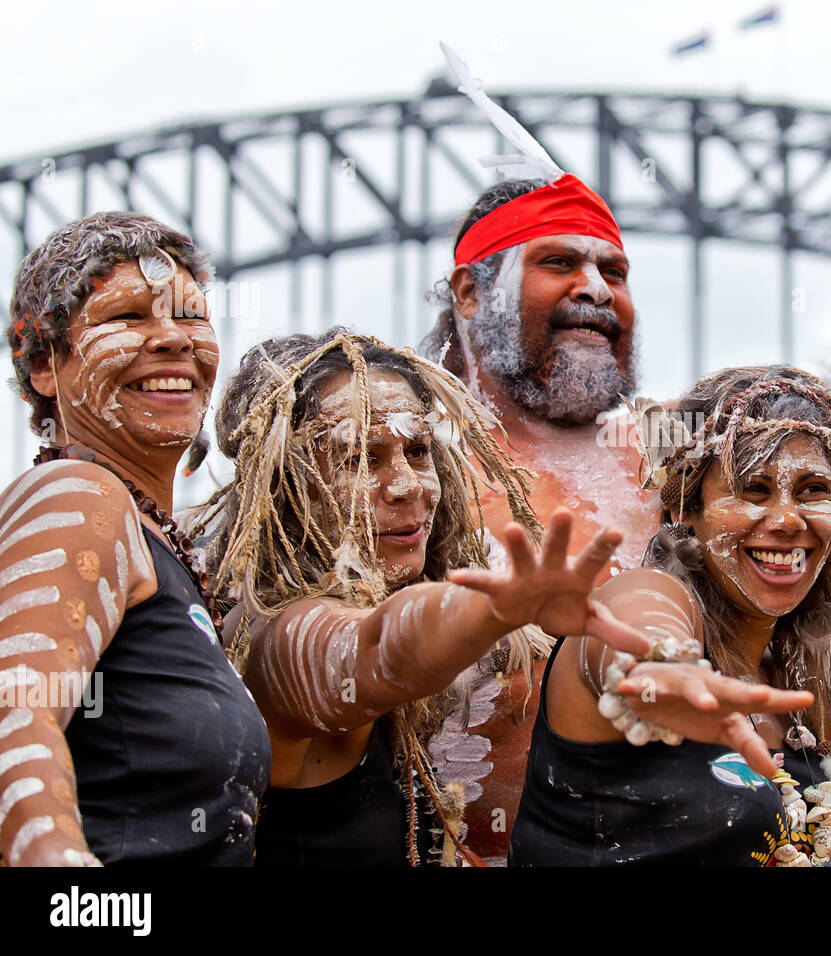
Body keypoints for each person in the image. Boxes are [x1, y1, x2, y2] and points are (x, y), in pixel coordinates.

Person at [421, 69, 831, 847]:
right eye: (559, 264)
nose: (596, 288)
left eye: (616, 272)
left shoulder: (662, 452)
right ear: (469, 294)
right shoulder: (411, 465)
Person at [192, 329, 653, 865]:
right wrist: (491, 611)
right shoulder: (273, 633)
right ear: (284, 484)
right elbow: (375, 650)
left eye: (417, 451)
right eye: (361, 459)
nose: (407, 485)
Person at [451, 366, 831, 865]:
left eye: (813, 490)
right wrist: (660, 666)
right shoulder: (646, 595)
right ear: (683, 511)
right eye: (753, 489)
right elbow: (641, 623)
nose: (785, 519)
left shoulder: (806, 685)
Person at [0, 212, 269, 866]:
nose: (173, 339)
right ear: (43, 366)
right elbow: (15, 721)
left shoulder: (154, 540)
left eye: (191, 316)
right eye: (126, 318)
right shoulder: (79, 496)